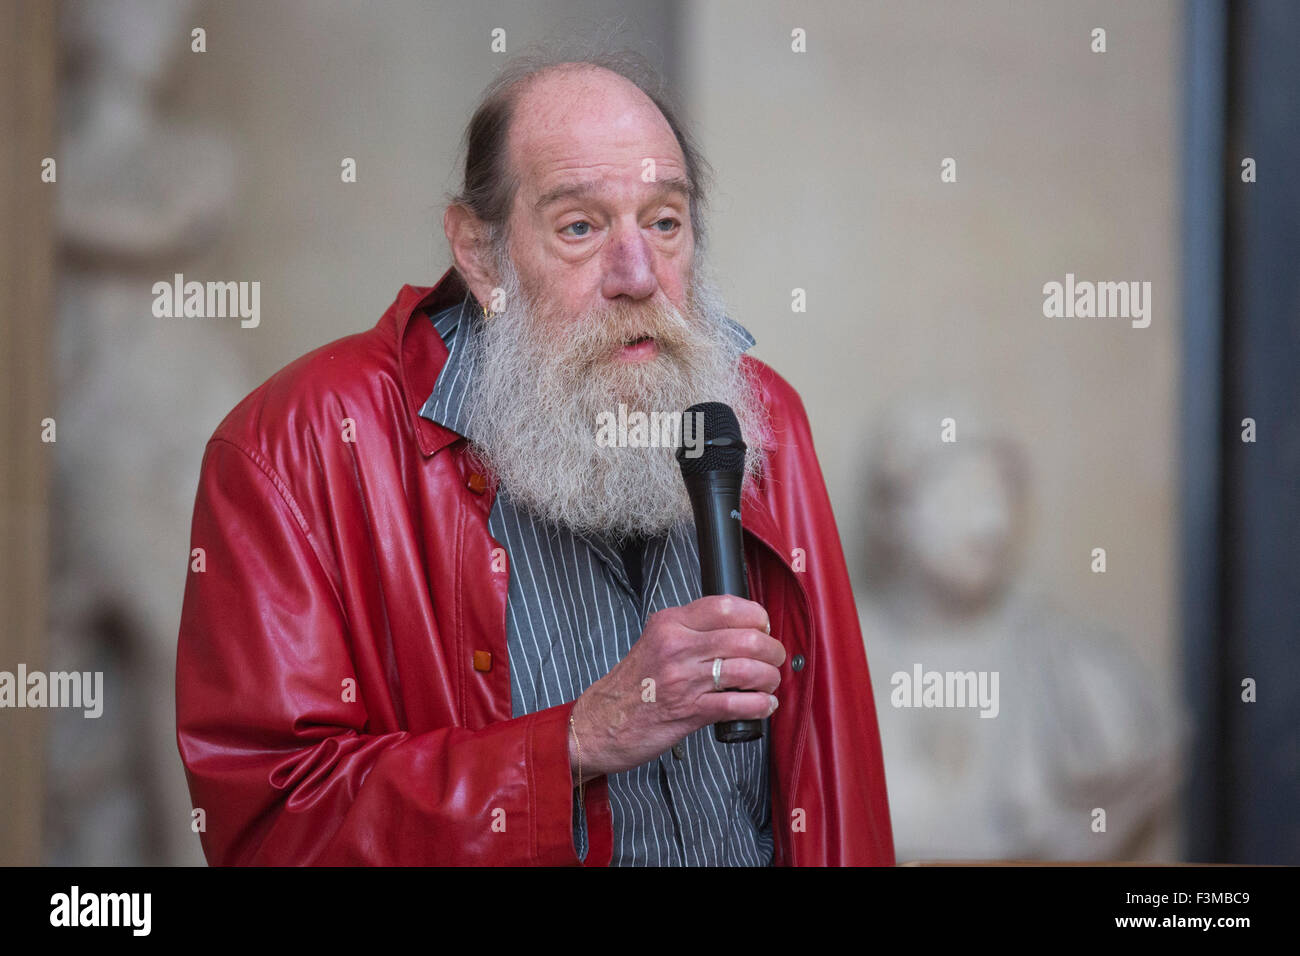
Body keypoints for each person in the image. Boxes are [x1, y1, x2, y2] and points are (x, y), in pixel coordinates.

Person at [175, 48, 895, 866]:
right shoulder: (299, 445)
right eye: (580, 227)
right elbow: (272, 826)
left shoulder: (759, 420)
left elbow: (835, 792)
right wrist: (576, 740)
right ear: (479, 253)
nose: (638, 275)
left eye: (665, 222)